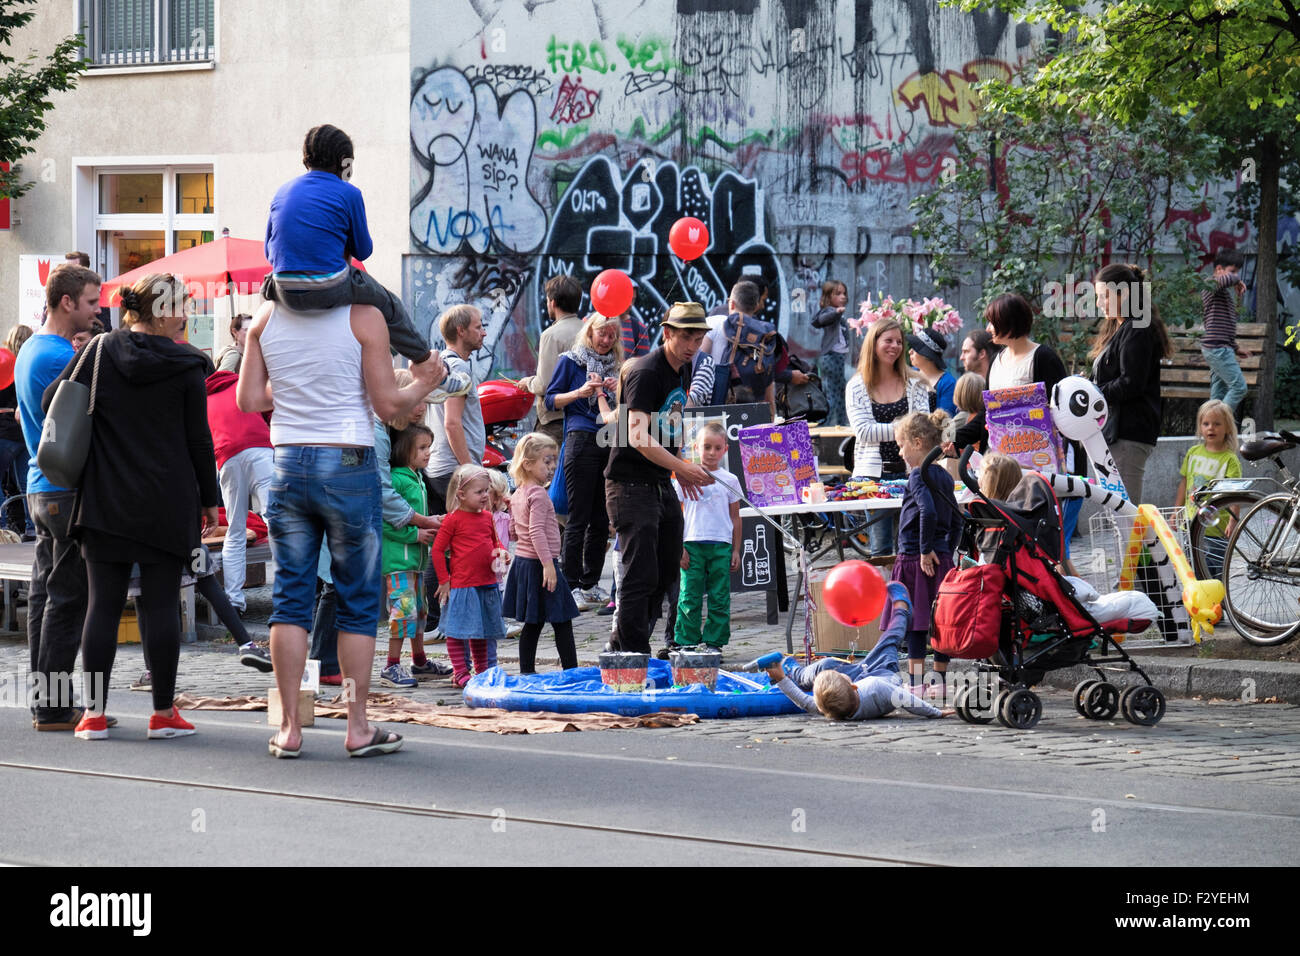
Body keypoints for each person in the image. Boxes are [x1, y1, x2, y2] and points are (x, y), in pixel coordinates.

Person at [238, 290, 446, 759]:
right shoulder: (364, 316)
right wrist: (424, 383)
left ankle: (290, 729)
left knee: (291, 597)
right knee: (355, 600)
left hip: (288, 461)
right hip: (347, 463)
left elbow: (249, 398)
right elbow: (390, 405)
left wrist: (297, 387)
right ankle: (357, 727)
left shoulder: (268, 314)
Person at [49, 274, 221, 741]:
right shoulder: (189, 365)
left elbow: (53, 402)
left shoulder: (99, 350)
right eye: (184, 307)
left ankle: (94, 716)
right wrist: (211, 501)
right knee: (163, 604)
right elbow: (198, 441)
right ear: (164, 312)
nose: (187, 315)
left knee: (101, 606)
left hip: (104, 499)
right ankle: (163, 713)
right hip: (167, 502)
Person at [262, 124, 433, 366]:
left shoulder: (282, 191)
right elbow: (363, 251)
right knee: (390, 304)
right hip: (328, 288)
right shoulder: (349, 193)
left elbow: (269, 253)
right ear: (345, 163)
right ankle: (426, 361)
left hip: (283, 290)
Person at [16, 264, 101, 731]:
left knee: (46, 593)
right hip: (63, 488)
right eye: (90, 302)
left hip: (40, 486)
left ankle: (43, 700)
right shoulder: (57, 356)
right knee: (67, 598)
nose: (97, 310)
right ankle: (52, 706)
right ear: (66, 302)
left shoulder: (33, 345)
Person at [605, 302, 714, 657]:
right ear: (667, 333)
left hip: (659, 481)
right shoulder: (646, 371)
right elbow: (637, 435)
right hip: (629, 483)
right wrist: (681, 468)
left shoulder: (683, 369)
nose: (692, 346)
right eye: (685, 337)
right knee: (640, 574)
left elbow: (672, 423)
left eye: (698, 339)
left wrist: (682, 464)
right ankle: (632, 654)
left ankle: (623, 644)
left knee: (668, 567)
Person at [984, 293, 1084, 557]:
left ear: (1010, 322)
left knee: (1052, 543)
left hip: (1044, 466)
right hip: (1007, 466)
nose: (988, 329)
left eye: (993, 322)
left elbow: (1065, 410)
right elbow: (988, 411)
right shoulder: (996, 361)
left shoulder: (1043, 357)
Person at [765, 583, 950, 720]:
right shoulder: (879, 690)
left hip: (860, 681)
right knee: (890, 639)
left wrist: (781, 679)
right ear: (853, 685)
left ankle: (793, 672)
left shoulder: (829, 708)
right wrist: (937, 713)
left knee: (826, 665)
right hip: (884, 673)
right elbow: (908, 700)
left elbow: (803, 701)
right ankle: (903, 612)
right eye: (844, 677)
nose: (845, 675)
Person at [544, 313, 621, 610]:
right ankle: (572, 583)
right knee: (578, 516)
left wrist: (617, 389)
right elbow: (550, 400)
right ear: (589, 332)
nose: (606, 340)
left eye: (612, 335)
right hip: (581, 437)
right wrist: (580, 392)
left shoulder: (617, 366)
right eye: (602, 333)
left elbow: (627, 406)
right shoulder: (570, 361)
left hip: (610, 439)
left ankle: (591, 583)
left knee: (602, 518)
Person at [845, 316, 933, 555]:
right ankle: (884, 594)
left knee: (912, 547)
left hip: (912, 473)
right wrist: (904, 428)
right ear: (873, 344)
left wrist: (891, 428)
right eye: (888, 340)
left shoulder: (915, 382)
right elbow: (863, 432)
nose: (895, 346)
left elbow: (924, 428)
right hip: (873, 478)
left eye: (899, 341)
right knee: (881, 549)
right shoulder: (857, 385)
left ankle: (912, 593)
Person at [890, 409, 962, 699]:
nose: (899, 451)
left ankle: (917, 683)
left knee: (916, 623)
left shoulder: (918, 475)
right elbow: (957, 517)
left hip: (915, 559)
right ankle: (940, 681)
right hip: (942, 557)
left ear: (917, 443)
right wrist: (948, 549)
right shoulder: (944, 475)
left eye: (901, 444)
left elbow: (927, 511)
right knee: (940, 620)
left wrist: (924, 550)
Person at [425, 304, 488, 631]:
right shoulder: (457, 371)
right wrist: (470, 470)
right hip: (452, 470)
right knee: (461, 546)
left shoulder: (443, 366)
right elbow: (452, 424)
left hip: (440, 466)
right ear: (461, 331)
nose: (484, 332)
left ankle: (436, 621)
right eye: (479, 326)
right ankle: (446, 621)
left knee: (441, 543)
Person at [1089, 263, 1172, 505]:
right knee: (1120, 514)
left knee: (1125, 515)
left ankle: (1143, 545)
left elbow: (1130, 383)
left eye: (1103, 296)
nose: (1099, 303)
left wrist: (1093, 394)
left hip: (1128, 432)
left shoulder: (1138, 328)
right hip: (1118, 432)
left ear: (1122, 294)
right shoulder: (1126, 327)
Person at [502, 433, 579, 673]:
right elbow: (536, 532)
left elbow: (514, 532)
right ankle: (571, 671)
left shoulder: (517, 494)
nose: (553, 466)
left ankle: (526, 671)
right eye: (547, 461)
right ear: (527, 463)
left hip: (524, 563)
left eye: (554, 460)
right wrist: (548, 565)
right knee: (562, 621)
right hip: (541, 564)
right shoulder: (538, 494)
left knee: (533, 622)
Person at [205, 364, 274, 616]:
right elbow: (270, 412)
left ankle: (234, 601)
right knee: (276, 522)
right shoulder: (241, 383)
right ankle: (287, 596)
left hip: (227, 458)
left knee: (235, 529)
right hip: (261, 451)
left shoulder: (203, 398)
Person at [432, 464, 508, 687]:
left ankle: (483, 671)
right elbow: (437, 550)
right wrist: (444, 580)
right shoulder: (453, 519)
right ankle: (460, 672)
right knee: (457, 632)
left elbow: (494, 541)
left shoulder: (486, 517)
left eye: (487, 491)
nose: (485, 496)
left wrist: (502, 552)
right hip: (463, 586)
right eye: (479, 492)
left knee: (481, 631)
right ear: (461, 495)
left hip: (486, 584)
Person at [381, 422, 440, 688]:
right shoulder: (395, 480)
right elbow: (384, 522)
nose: (428, 453)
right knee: (403, 613)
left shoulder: (416, 478)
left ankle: (419, 661)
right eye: (422, 447)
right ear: (404, 449)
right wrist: (414, 536)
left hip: (416, 562)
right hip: (398, 562)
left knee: (419, 613)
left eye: (429, 447)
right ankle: (391, 666)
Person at [673, 422, 742, 651]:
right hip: (691, 544)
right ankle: (687, 642)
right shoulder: (684, 476)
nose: (712, 453)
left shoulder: (730, 480)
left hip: (720, 546)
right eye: (706, 447)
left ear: (725, 449)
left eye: (717, 448)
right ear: (696, 447)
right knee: (689, 596)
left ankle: (714, 642)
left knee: (719, 596)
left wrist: (735, 549)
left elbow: (736, 518)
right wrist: (679, 547)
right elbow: (676, 516)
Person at [1175, 400, 1242, 579]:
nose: (1211, 428)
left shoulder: (1229, 459)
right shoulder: (1193, 452)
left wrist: (1233, 520)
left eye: (1217, 424)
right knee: (1193, 571)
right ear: (1200, 427)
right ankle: (1198, 604)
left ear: (1228, 428)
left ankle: (1219, 604)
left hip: (1217, 529)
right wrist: (1176, 511)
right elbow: (1184, 482)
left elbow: (1234, 493)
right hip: (1190, 525)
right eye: (1206, 423)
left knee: (1216, 572)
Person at [517, 275, 584, 446]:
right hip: (585, 419)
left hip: (556, 420)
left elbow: (545, 385)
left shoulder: (551, 335)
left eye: (547, 300)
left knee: (546, 470)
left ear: (552, 302)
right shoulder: (589, 329)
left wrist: (528, 382)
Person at [1200, 249, 1250, 414]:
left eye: (1238, 272)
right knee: (1239, 387)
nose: (1236, 276)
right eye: (1233, 271)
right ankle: (1218, 421)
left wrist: (1235, 348)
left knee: (1218, 393)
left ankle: (1212, 426)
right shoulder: (1210, 284)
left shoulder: (1223, 294)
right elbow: (1226, 280)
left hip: (1221, 348)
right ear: (1219, 269)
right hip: (1217, 348)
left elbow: (1226, 326)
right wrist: (1237, 280)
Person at [0, 323, 34, 538]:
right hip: (24, 433)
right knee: (25, 483)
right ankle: (32, 527)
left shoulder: (4, 364)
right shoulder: (28, 365)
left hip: (3, 433)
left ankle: (2, 528)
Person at [811, 280, 851, 426]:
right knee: (833, 395)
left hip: (838, 358)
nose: (843, 297)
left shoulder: (839, 313)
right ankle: (826, 423)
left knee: (840, 393)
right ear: (828, 297)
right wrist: (836, 312)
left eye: (844, 293)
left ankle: (840, 423)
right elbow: (821, 319)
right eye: (838, 293)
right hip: (831, 358)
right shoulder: (829, 311)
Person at [908, 328, 956, 414]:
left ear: (927, 355)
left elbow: (944, 421)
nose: (910, 351)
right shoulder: (910, 374)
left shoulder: (948, 384)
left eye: (915, 349)